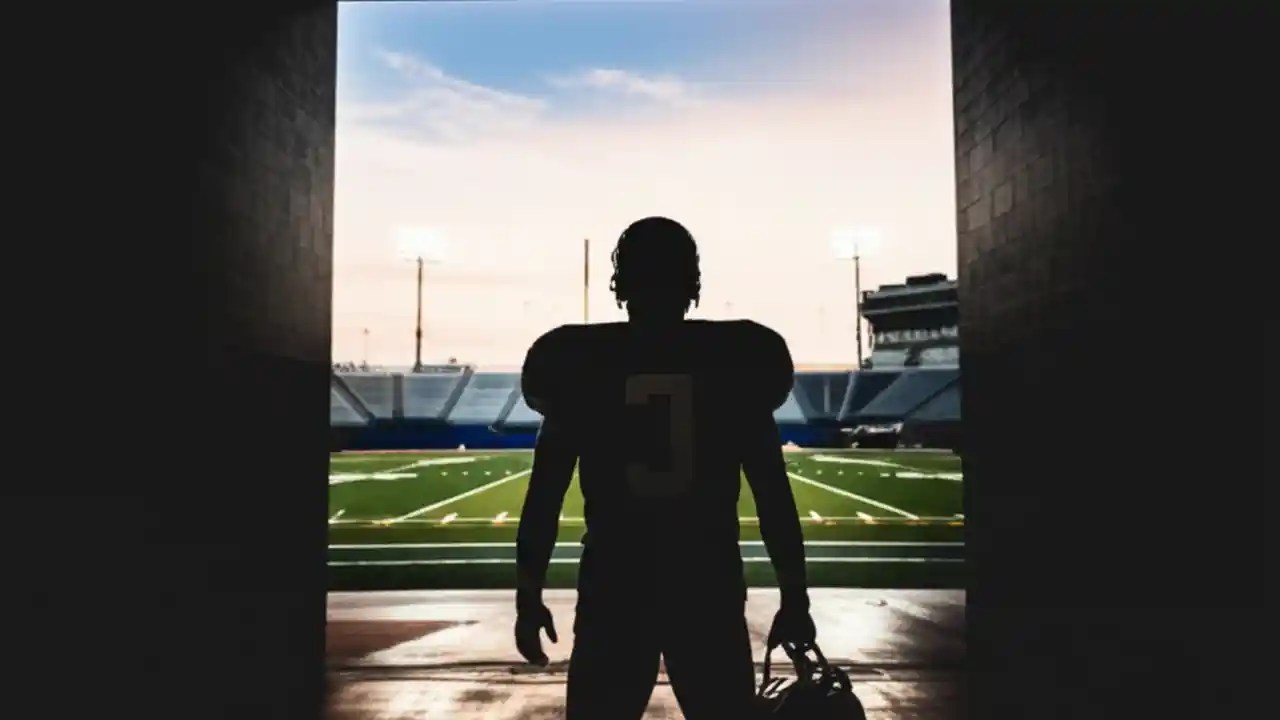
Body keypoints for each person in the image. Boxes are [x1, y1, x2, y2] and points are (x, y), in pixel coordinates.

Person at [514, 216, 816, 719]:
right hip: (707, 584)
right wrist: (795, 599)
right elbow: (773, 498)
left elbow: (543, 499)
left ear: (621, 283)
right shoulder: (737, 362)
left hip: (615, 583)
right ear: (692, 283)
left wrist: (528, 596)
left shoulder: (578, 365)